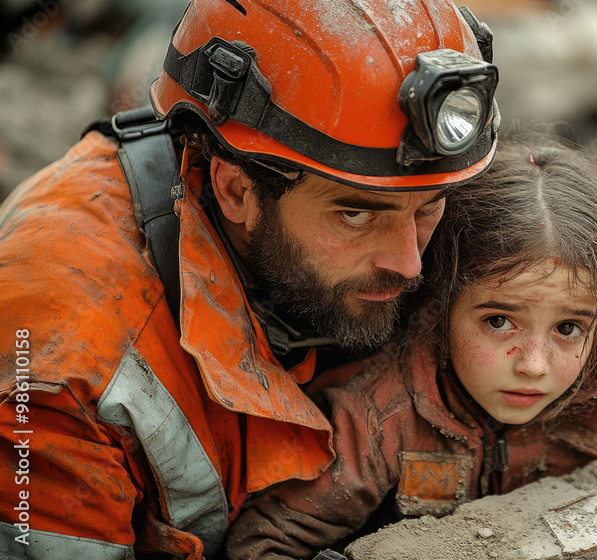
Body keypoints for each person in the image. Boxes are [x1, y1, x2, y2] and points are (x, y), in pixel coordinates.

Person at [0, 0, 499, 557]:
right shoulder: (65, 365)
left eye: (429, 208)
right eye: (356, 215)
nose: (410, 264)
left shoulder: (358, 198)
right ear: (236, 189)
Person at [225, 133, 597, 559]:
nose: (535, 366)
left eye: (569, 329)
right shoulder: (376, 422)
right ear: (439, 306)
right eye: (499, 321)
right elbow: (266, 542)